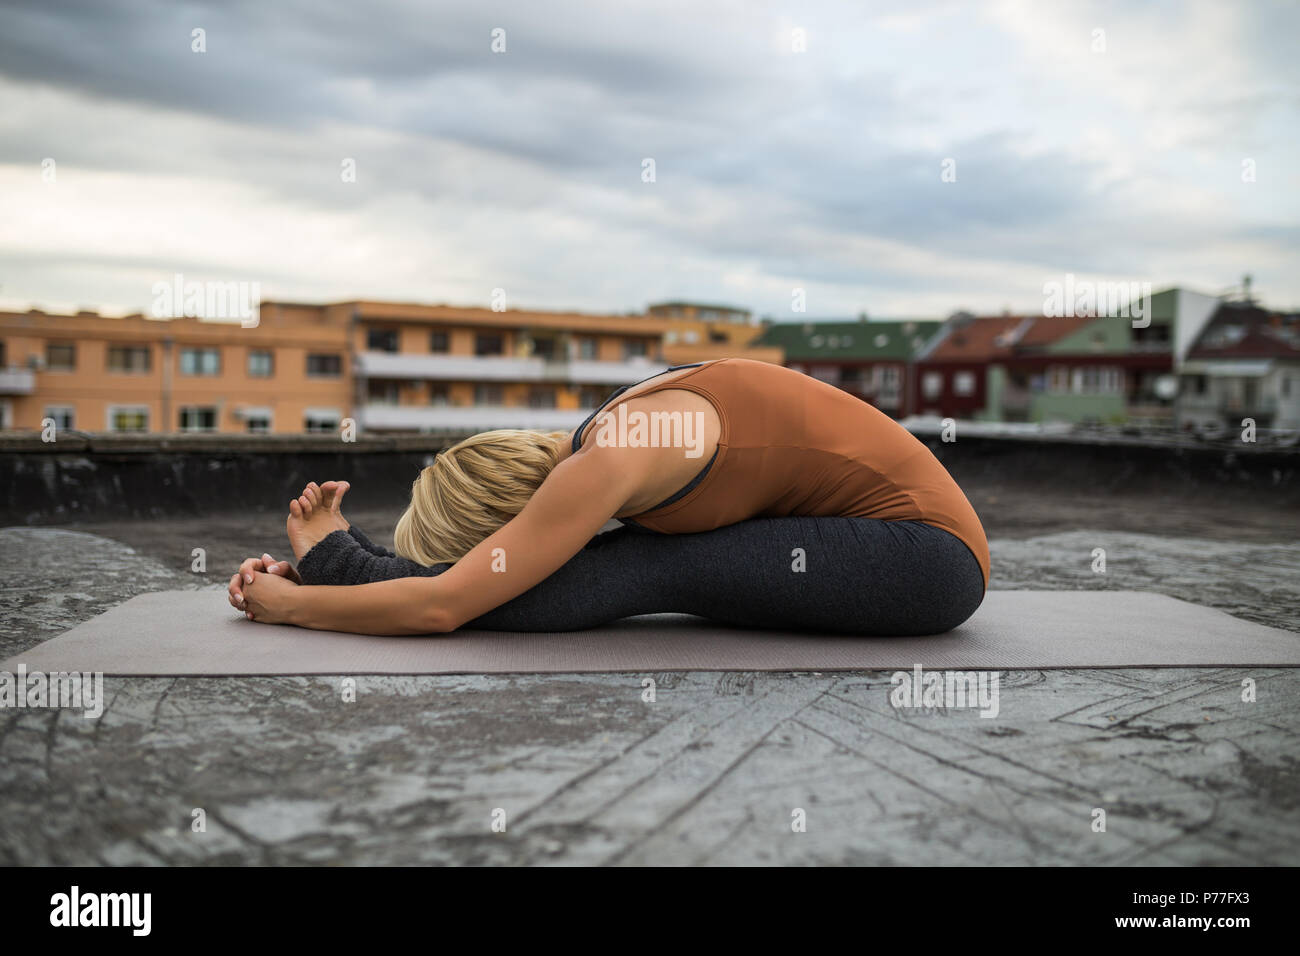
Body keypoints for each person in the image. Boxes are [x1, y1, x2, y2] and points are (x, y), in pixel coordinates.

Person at [227, 359, 989, 635]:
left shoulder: (606, 463)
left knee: (640, 573)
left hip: (928, 562)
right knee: (644, 564)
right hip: (893, 545)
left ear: (517, 528)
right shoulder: (609, 433)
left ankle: (347, 566)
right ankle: (352, 565)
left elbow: (446, 604)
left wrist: (299, 601)